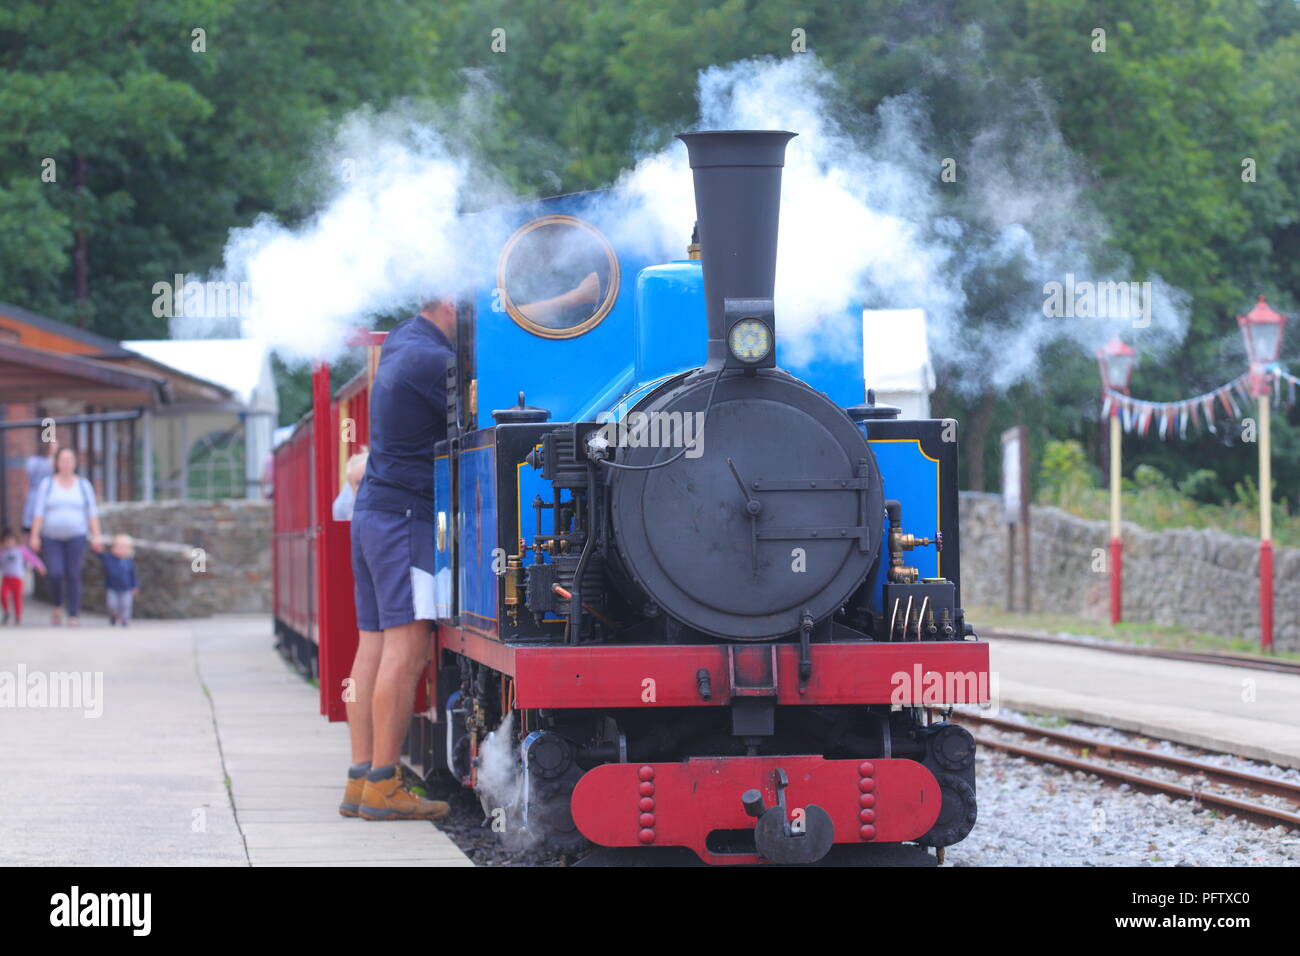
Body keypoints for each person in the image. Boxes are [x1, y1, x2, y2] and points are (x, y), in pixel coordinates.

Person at [341, 299, 454, 822]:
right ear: (449, 301)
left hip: (373, 514)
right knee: (406, 650)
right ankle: (386, 783)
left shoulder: (403, 340)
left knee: (373, 646)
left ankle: (362, 777)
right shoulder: (433, 360)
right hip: (407, 516)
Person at [28, 448, 104, 626]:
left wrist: (96, 535)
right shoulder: (47, 485)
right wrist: (34, 535)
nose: (66, 463)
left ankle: (73, 614)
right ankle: (56, 605)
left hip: (76, 536)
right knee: (55, 572)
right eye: (63, 459)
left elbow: (91, 513)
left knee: (74, 573)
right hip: (51, 537)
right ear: (57, 463)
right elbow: (39, 512)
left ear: (75, 463)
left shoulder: (84, 486)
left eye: (70, 459)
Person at [0, 526, 46, 625]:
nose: (9, 544)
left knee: (17, 598)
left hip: (17, 578)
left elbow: (32, 558)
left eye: (11, 541)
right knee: (3, 595)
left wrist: (39, 566)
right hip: (6, 578)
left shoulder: (20, 550)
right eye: (6, 541)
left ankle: (18, 616)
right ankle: (6, 612)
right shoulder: (2, 552)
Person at [98, 533, 139, 626]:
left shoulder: (129, 562)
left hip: (126, 588)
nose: (121, 549)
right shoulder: (109, 559)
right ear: (113, 548)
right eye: (118, 547)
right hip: (112, 587)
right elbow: (99, 553)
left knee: (126, 605)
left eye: (124, 547)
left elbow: (133, 575)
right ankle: (113, 615)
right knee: (111, 604)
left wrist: (135, 586)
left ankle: (125, 619)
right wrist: (97, 545)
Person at [22, 440, 58, 533]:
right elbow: (27, 481)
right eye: (54, 446)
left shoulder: (32, 460)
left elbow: (26, 483)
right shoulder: (51, 462)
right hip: (39, 498)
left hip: (36, 498)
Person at [331, 449, 369, 521]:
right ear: (351, 486)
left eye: (369, 480)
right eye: (358, 483)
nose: (364, 486)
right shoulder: (342, 507)